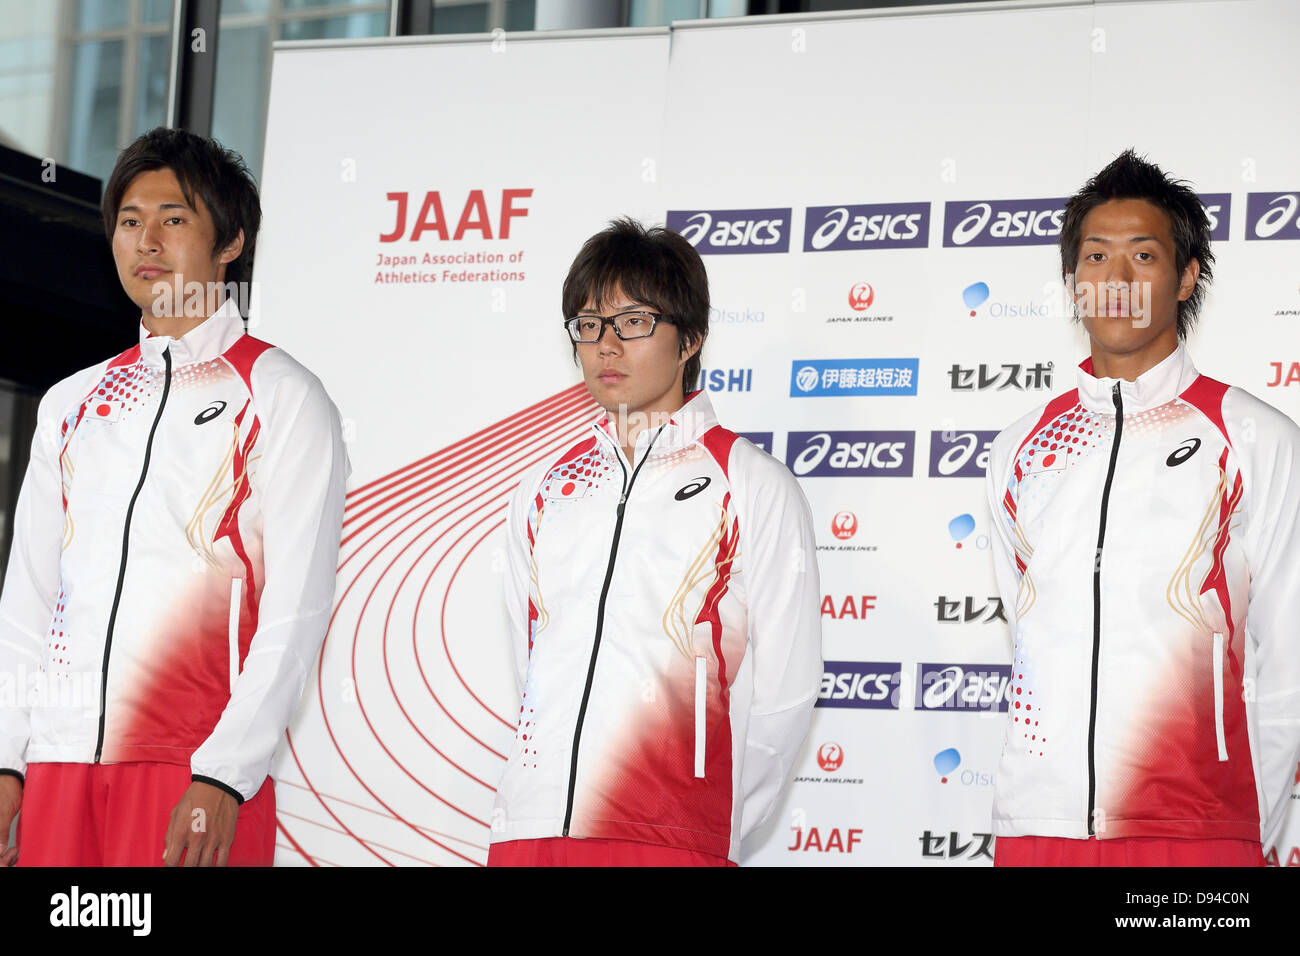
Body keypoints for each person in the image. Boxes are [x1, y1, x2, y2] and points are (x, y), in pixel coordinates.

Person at [0, 127, 349, 866]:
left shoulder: (282, 396)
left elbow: (298, 610)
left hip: (193, 771)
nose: (146, 240)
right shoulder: (71, 403)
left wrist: (226, 773)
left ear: (230, 243)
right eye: (130, 220)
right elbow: (27, 605)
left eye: (174, 218)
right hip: (57, 769)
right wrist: (8, 761)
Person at [985, 149, 1300, 866]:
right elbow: (1027, 627)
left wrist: (1248, 824)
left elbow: (1289, 658)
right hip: (1037, 827)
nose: (1117, 281)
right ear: (1072, 282)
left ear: (1187, 277)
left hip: (1198, 832)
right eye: (1095, 257)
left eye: (1144, 256)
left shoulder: (1253, 437)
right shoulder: (1020, 449)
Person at [487, 218, 822, 866]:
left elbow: (786, 691)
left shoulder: (751, 484)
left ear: (690, 337)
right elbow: (529, 660)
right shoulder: (542, 488)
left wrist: (700, 821)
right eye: (589, 325)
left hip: (667, 839)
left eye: (633, 321)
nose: (607, 345)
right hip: (527, 831)